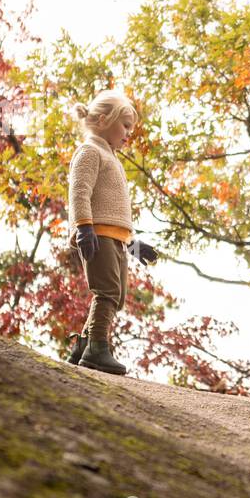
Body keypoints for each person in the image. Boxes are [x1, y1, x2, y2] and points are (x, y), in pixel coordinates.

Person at [65, 90, 159, 375]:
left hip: (115, 238)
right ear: (104, 120)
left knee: (116, 296)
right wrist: (83, 227)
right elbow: (79, 191)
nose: (128, 133)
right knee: (105, 290)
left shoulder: (112, 158)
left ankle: (82, 346)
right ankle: (97, 348)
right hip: (96, 234)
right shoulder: (90, 151)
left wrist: (133, 244)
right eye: (125, 126)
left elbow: (114, 212)